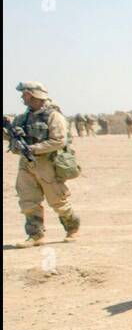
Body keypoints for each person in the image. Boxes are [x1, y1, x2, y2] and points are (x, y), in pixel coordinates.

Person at [9, 82, 79, 247]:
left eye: (24, 94)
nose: (22, 97)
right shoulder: (22, 118)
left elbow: (59, 141)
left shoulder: (53, 116)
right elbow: (11, 138)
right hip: (26, 165)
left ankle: (72, 229)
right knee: (28, 201)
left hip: (48, 164)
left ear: (33, 95)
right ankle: (35, 235)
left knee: (58, 201)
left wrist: (33, 149)